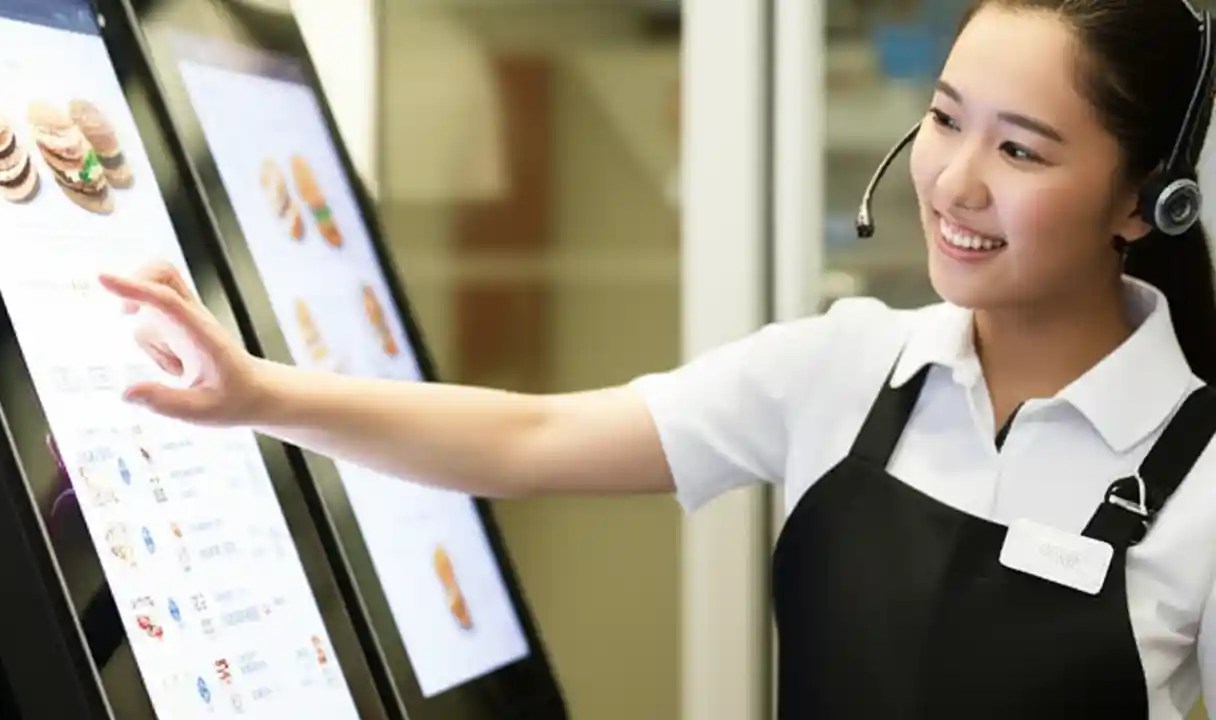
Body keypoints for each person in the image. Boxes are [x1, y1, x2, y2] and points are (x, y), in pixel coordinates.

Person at [101, 0, 1216, 716]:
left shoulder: (1198, 476)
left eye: (1018, 148)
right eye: (942, 119)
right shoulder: (845, 371)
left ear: (1140, 200)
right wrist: (254, 391)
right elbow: (528, 437)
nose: (953, 181)